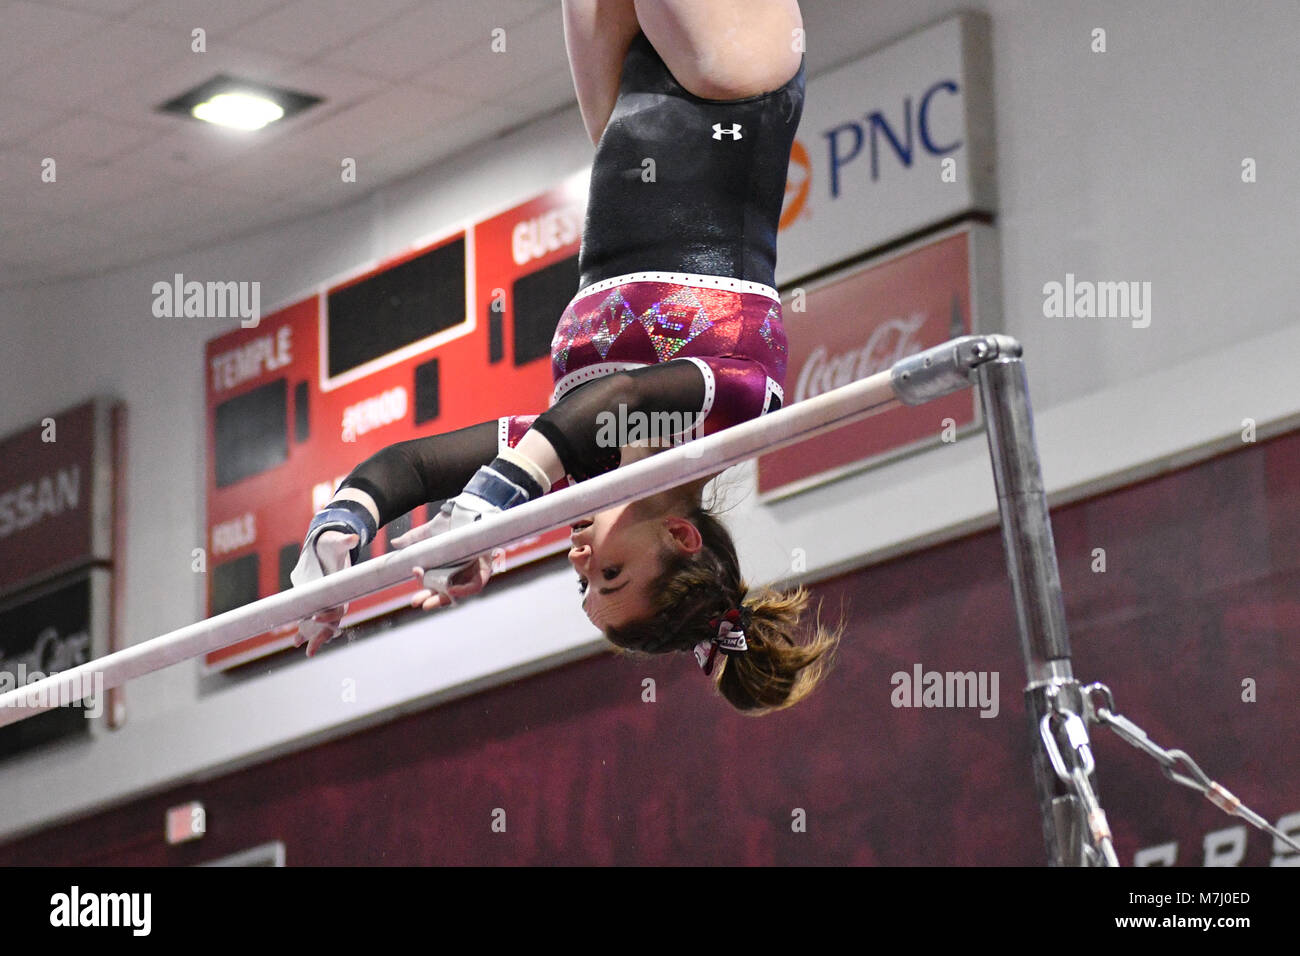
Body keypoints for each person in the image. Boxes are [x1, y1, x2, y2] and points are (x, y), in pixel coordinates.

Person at [291, 0, 841, 714]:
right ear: (680, 534)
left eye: (582, 587)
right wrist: (496, 502)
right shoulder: (740, 412)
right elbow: (618, 404)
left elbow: (411, 467)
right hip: (733, 87)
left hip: (626, 116)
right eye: (610, 574)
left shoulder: (567, 462)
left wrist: (340, 530)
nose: (580, 562)